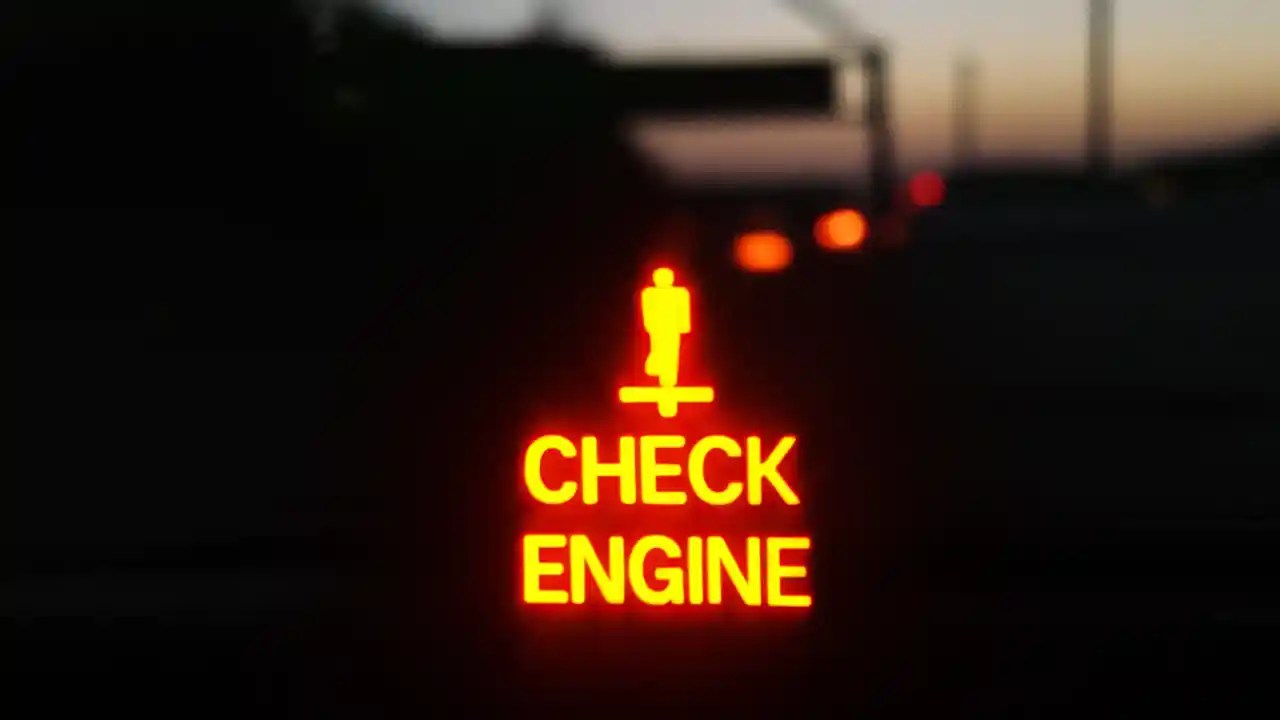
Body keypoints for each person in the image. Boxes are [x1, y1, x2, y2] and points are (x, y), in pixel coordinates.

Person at [640, 267, 690, 387]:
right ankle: (657, 370)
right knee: (658, 349)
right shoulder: (649, 293)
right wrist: (648, 325)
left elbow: (683, 309)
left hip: (672, 328)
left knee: (672, 352)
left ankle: (670, 379)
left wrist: (684, 325)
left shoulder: (680, 293)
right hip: (658, 328)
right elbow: (647, 310)